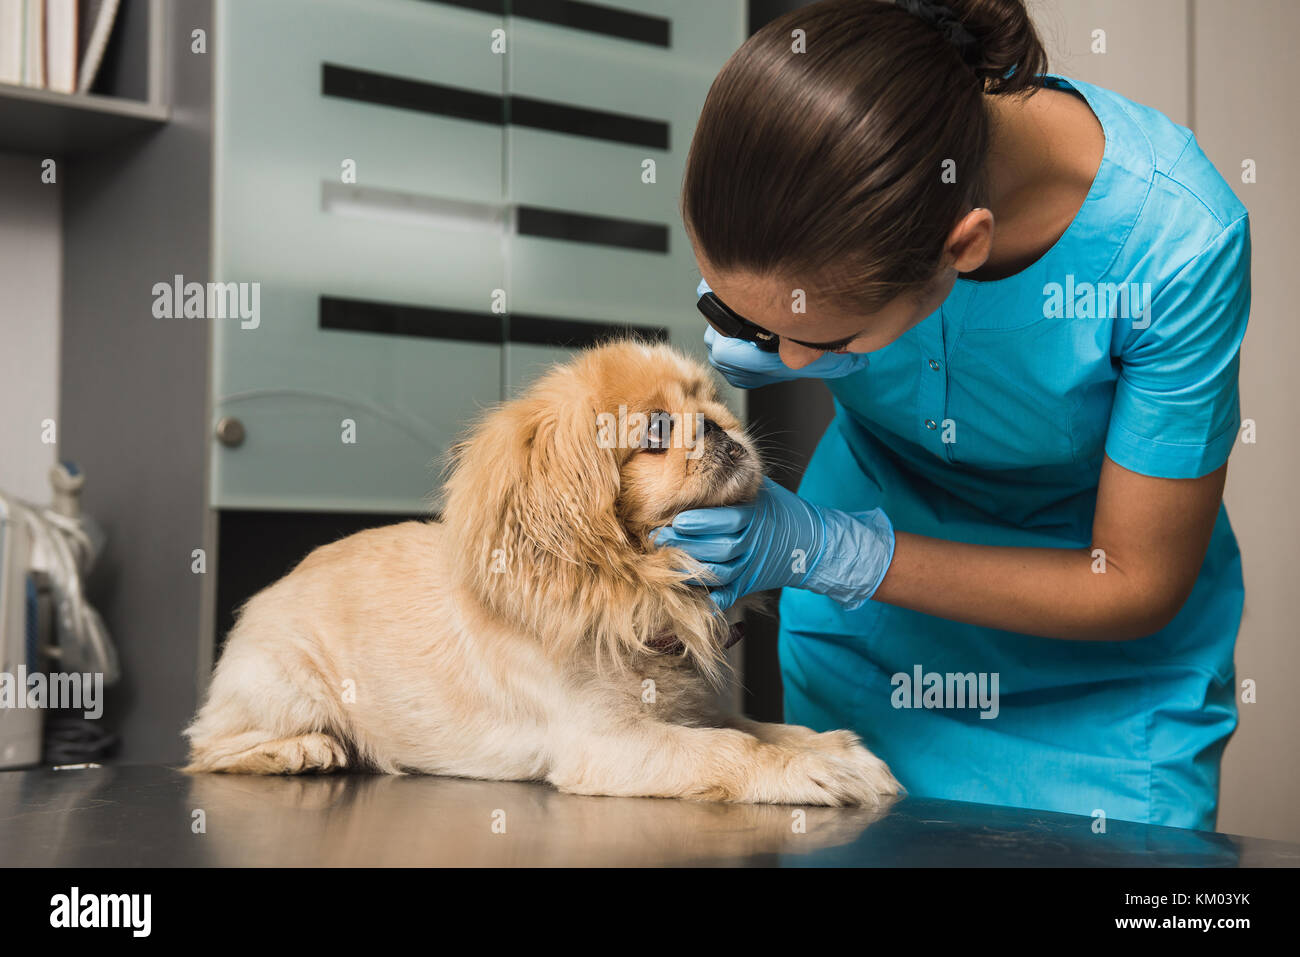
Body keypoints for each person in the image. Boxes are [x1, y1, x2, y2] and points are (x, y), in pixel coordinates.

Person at [653, 0, 1250, 830]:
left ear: (961, 250)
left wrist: (827, 548)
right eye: (753, 323)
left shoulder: (1176, 241)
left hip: (1102, 682)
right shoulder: (844, 142)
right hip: (866, 649)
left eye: (818, 337)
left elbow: (1136, 581)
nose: (784, 362)